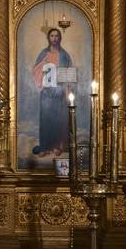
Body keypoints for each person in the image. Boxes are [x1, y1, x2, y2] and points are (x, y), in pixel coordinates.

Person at [31, 27, 74, 158]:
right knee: (46, 119)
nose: (54, 38)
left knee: (58, 119)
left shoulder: (64, 55)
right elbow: (35, 70)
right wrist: (43, 64)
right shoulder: (43, 53)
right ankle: (44, 147)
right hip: (46, 92)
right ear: (48, 38)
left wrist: (67, 91)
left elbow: (68, 74)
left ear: (60, 38)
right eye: (52, 36)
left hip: (59, 91)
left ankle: (56, 146)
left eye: (56, 36)